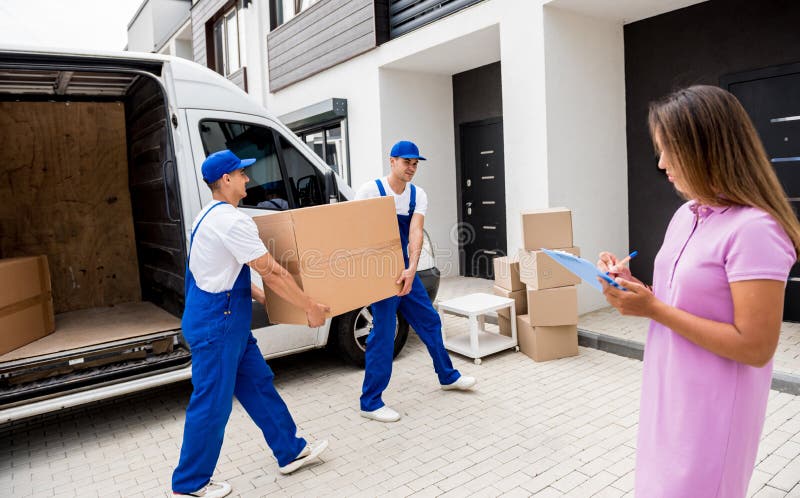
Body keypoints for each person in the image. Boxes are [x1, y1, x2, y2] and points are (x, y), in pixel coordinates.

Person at [596, 86, 800, 497]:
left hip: (713, 410)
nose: (662, 162)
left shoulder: (756, 230)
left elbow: (756, 346)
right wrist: (636, 289)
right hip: (668, 391)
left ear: (708, 149)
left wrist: (653, 309)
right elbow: (683, 300)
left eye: (670, 149)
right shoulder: (686, 215)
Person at [172, 150, 331, 497]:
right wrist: (310, 307)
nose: (247, 178)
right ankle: (189, 483)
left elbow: (228, 267)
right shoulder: (232, 220)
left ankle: (289, 450)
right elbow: (271, 270)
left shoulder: (207, 216)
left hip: (224, 316)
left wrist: (258, 297)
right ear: (226, 180)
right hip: (219, 323)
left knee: (258, 383)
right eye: (242, 173)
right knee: (212, 402)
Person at [356, 140, 477, 423]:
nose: (411, 168)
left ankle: (447, 376)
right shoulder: (370, 191)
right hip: (380, 272)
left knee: (430, 321)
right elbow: (355, 231)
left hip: (406, 270)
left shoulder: (416, 194)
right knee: (384, 333)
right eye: (406, 162)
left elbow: (416, 231)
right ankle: (370, 402)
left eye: (415, 163)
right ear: (392, 161)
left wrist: (411, 270)